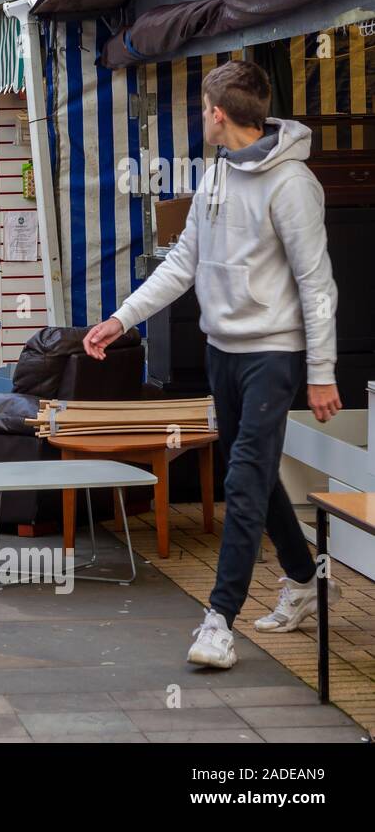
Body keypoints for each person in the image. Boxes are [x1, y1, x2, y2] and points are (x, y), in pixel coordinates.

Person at [82, 59, 341, 670]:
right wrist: (121, 319)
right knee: (252, 471)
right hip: (221, 350)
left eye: (203, 109)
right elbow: (181, 264)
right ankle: (304, 578)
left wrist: (322, 370)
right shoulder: (219, 175)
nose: (203, 118)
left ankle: (218, 620)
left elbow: (317, 283)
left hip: (272, 356)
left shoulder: (292, 185)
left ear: (218, 115)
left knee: (242, 481)